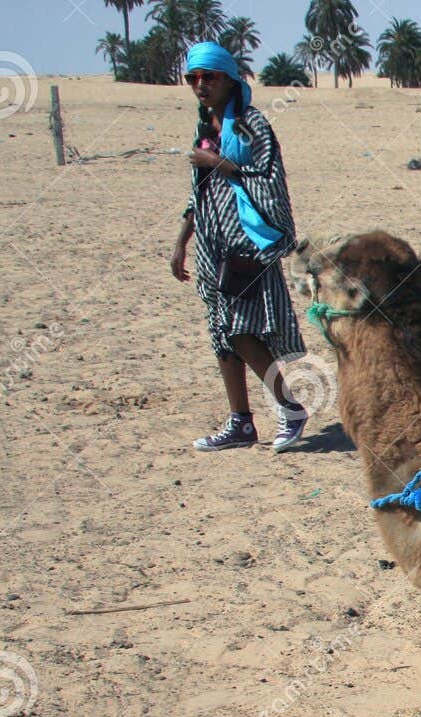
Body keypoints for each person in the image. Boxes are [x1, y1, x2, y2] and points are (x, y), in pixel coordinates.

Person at [171, 41, 308, 452]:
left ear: (229, 79)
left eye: (208, 76)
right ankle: (241, 423)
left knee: (242, 331)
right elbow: (199, 196)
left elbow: (268, 177)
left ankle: (291, 410)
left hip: (246, 245)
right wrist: (181, 242)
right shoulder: (204, 129)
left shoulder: (250, 124)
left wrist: (217, 163)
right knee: (222, 334)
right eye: (192, 78)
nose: (200, 85)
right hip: (212, 249)